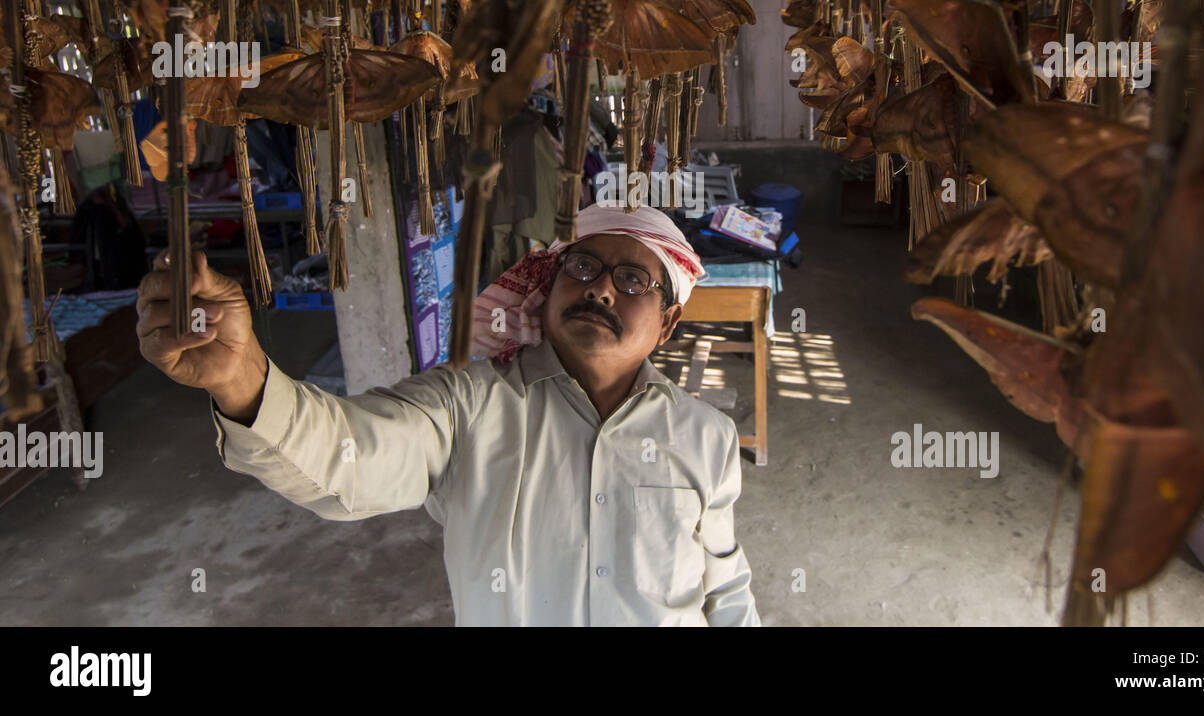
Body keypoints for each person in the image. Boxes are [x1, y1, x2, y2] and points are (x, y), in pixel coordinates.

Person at [136, 203, 760, 626]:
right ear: (547, 290)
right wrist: (242, 377)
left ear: (669, 323)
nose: (599, 288)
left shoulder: (705, 437)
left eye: (632, 279)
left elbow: (726, 590)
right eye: (582, 266)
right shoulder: (469, 405)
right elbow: (351, 457)